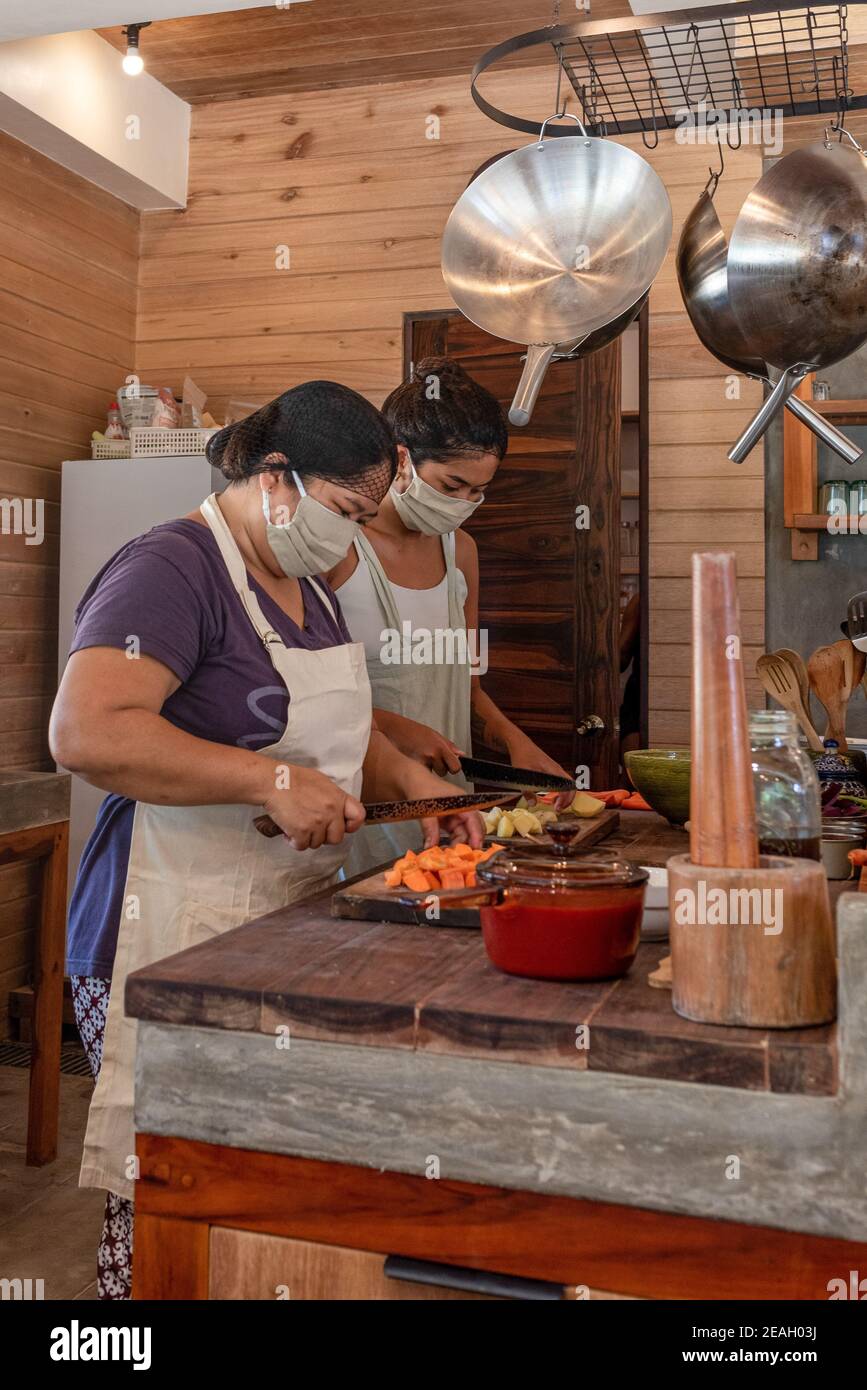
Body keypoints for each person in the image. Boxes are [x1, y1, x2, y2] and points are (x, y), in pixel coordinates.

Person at [49, 382, 483, 1299]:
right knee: (168, 1186)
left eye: (367, 519)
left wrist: (413, 788)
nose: (350, 536)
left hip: (266, 928)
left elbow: (340, 730)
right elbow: (88, 732)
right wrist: (268, 781)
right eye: (343, 511)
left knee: (253, 1187)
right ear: (276, 477)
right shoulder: (172, 567)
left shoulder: (301, 584)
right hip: (158, 929)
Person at [329, 357, 571, 873]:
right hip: (358, 805)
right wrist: (397, 728)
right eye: (451, 485)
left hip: (450, 808)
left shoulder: (461, 551)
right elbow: (305, 697)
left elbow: (468, 684)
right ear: (401, 459)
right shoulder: (337, 546)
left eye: (478, 492)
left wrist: (513, 743)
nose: (463, 503)